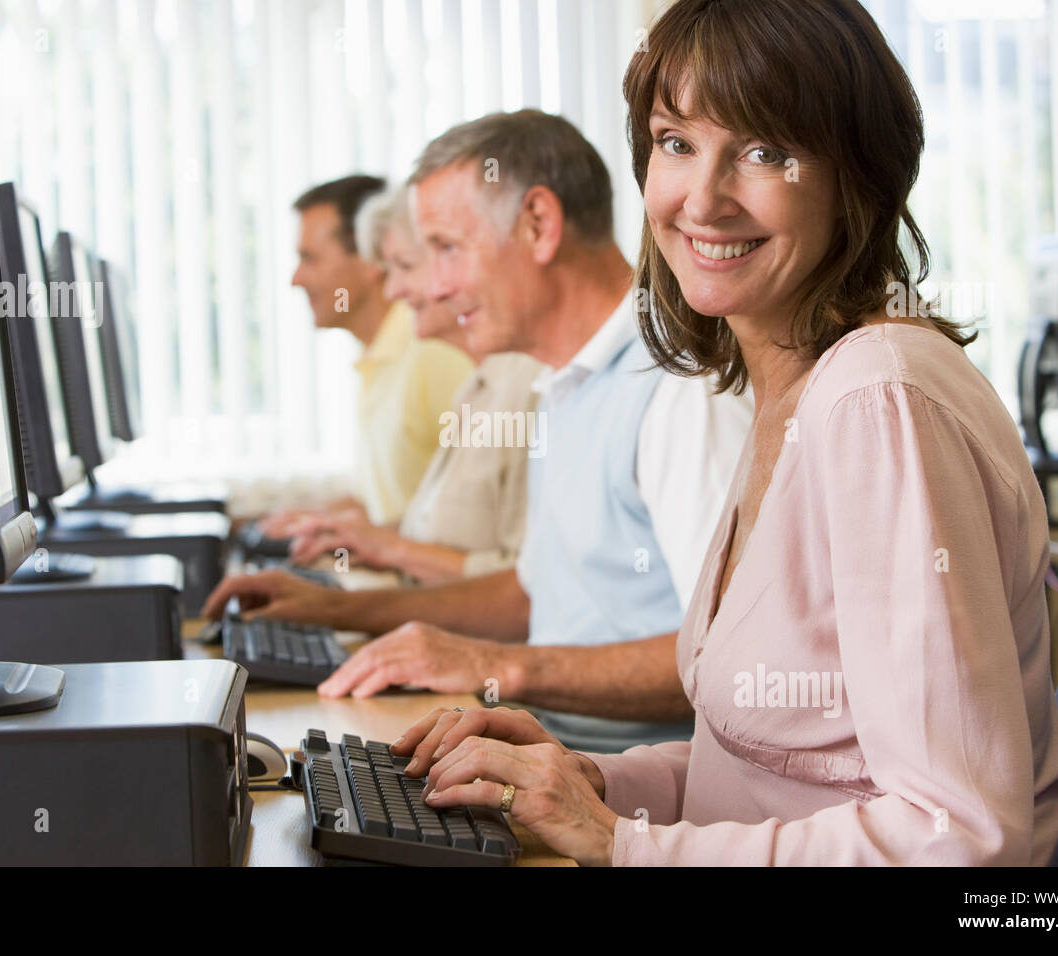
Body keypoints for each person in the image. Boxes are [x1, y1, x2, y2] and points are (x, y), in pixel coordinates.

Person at [386, 0, 1058, 865]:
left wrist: (623, 847)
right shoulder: (789, 390)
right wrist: (596, 782)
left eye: (764, 151)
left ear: (855, 174)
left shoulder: (876, 400)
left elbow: (959, 838)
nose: (702, 200)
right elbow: (775, 773)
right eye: (677, 142)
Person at [203, 111, 754, 750]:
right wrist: (337, 611)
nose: (433, 286)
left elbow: (727, 661)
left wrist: (496, 667)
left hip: (632, 800)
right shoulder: (564, 382)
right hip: (558, 750)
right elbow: (531, 594)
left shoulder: (680, 389)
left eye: (446, 248)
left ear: (539, 225)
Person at [285, 187, 545, 585]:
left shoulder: (442, 359)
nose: (394, 291)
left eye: (403, 266)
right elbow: (431, 518)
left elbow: (519, 575)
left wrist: (390, 550)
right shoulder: (473, 384)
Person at [264, 175, 473, 532]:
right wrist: (324, 520)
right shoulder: (378, 357)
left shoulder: (434, 352)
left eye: (309, 259)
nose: (296, 279)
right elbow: (403, 504)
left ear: (370, 257)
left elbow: (477, 523)